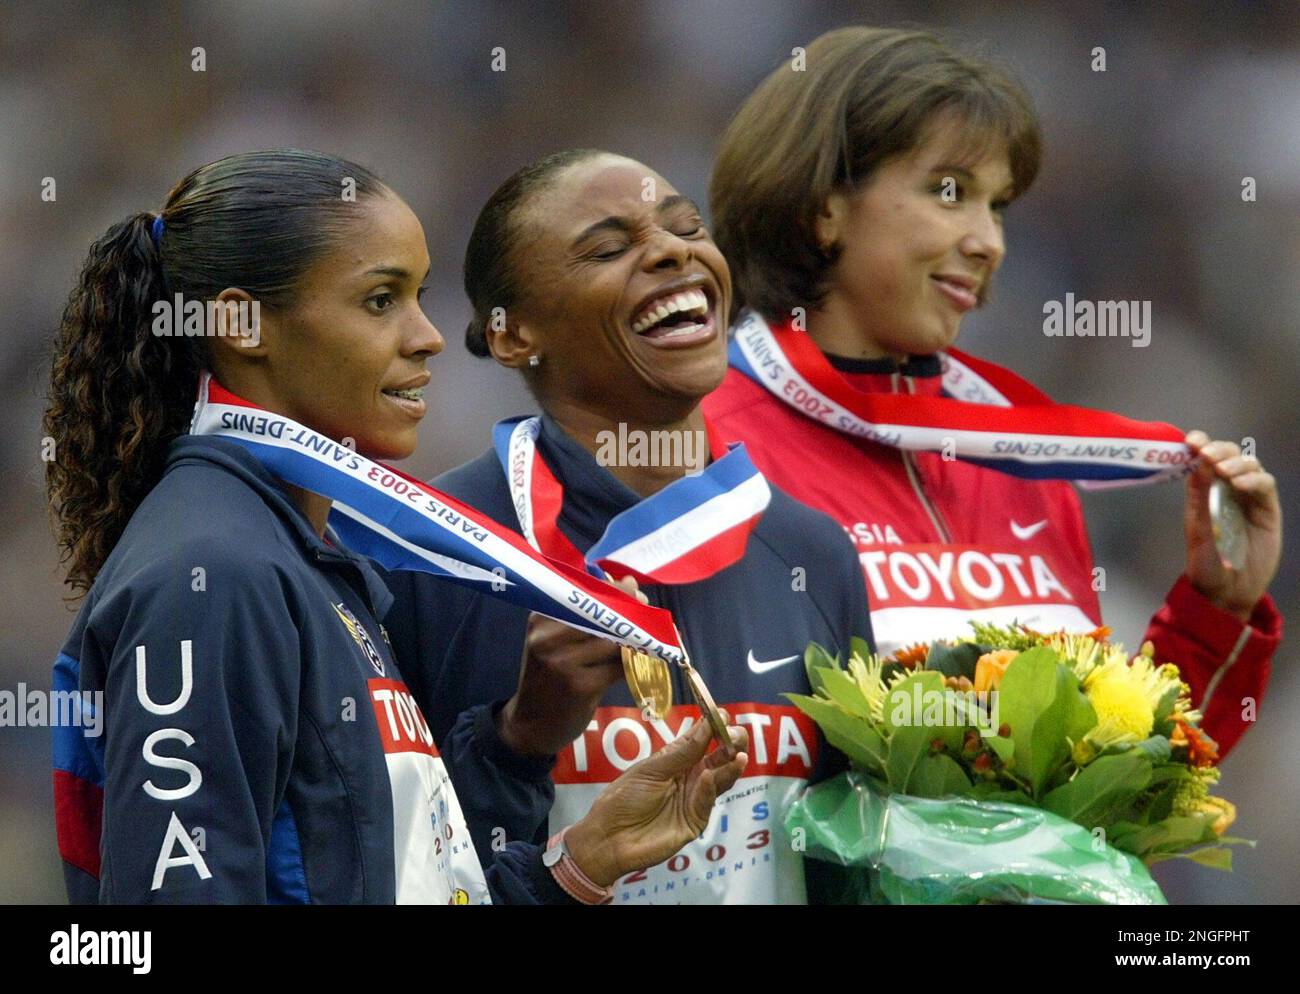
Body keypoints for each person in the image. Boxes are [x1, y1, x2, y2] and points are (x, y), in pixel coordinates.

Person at [45, 148, 747, 905]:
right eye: (381, 300)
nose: (428, 336)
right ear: (243, 326)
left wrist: (579, 864)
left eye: (418, 295)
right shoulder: (215, 572)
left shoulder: (306, 565)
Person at [701, 27, 1283, 757]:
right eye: (951, 193)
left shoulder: (1019, 460)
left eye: (998, 205)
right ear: (824, 205)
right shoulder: (704, 449)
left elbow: (1112, 779)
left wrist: (1216, 607)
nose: (989, 242)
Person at [382, 148, 874, 905]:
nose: (675, 250)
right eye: (611, 249)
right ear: (514, 335)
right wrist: (517, 739)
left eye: (686, 229)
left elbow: (845, 864)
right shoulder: (429, 551)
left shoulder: (812, 553)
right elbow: (394, 874)